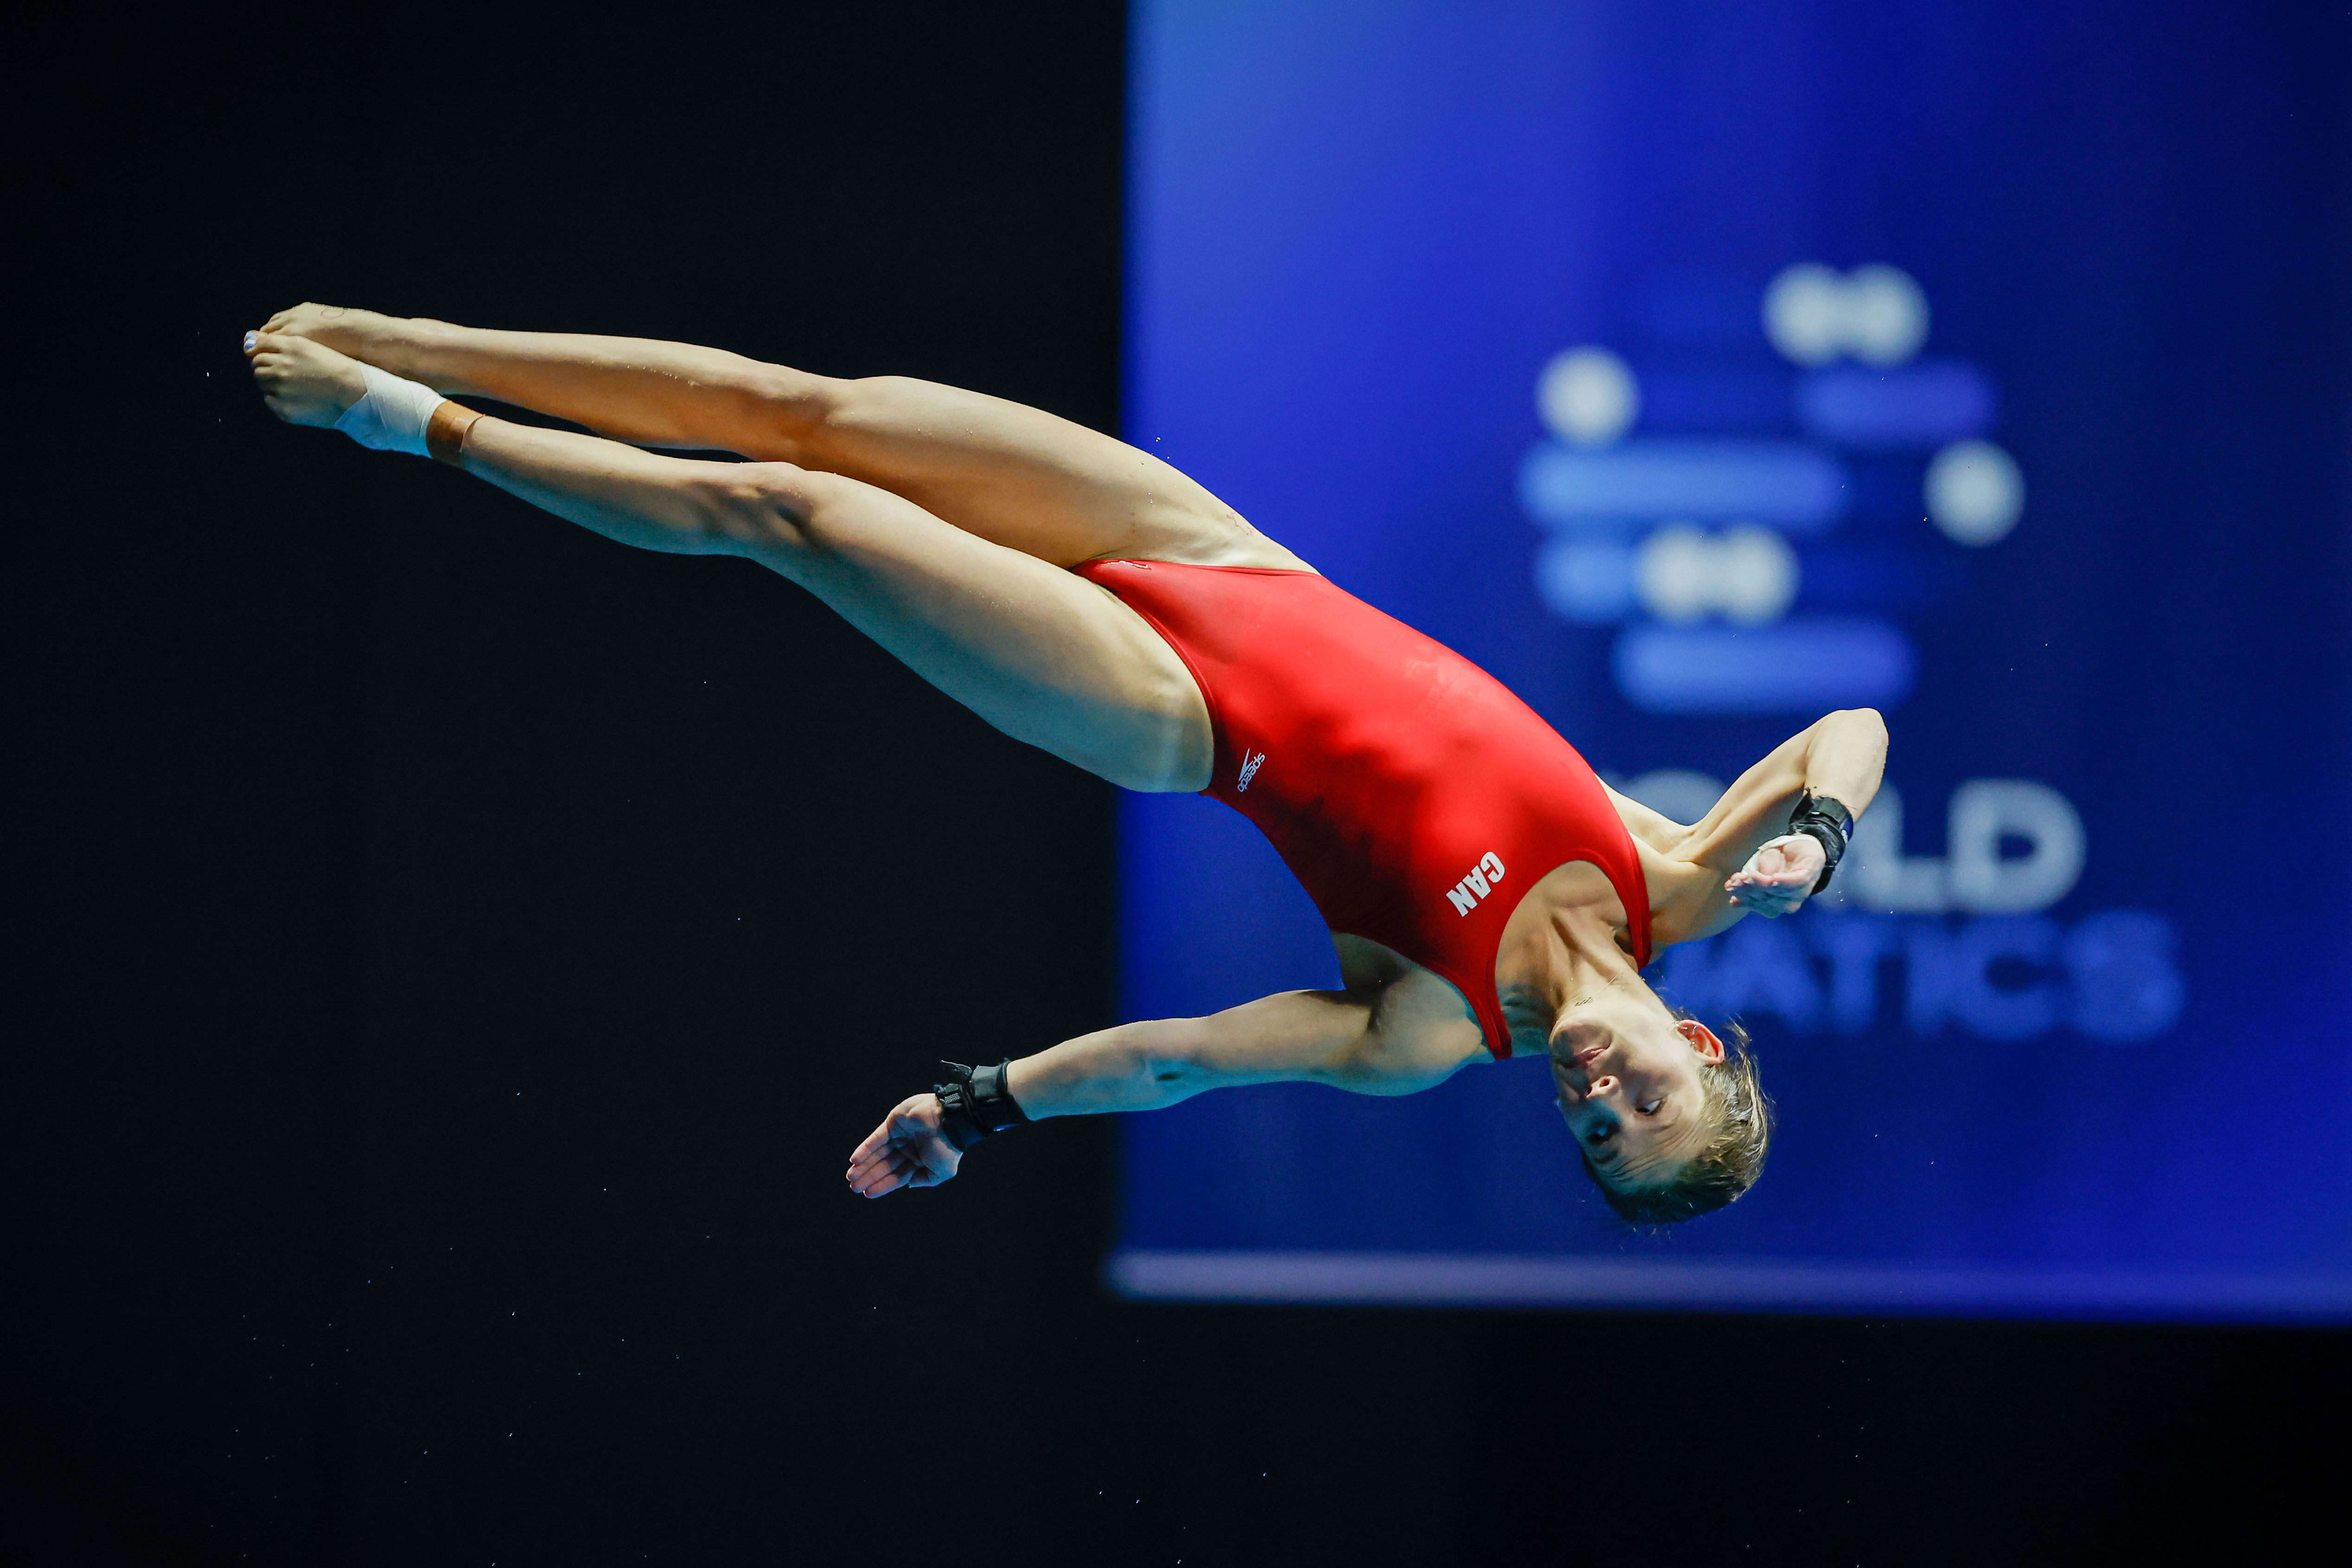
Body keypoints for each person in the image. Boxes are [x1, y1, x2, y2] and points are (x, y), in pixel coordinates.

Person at [245, 304, 1887, 1225]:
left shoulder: (1424, 1029)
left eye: (1599, 1137)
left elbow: (1179, 1059)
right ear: (1694, 1036)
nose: (1599, 1103)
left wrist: (987, 1103)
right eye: (1645, 1102)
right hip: (1234, 562)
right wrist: (1819, 833)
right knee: (800, 405)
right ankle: (416, 335)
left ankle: (404, 422)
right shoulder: (1682, 880)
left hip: (1171, 706)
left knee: (788, 515)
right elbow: (1852, 728)